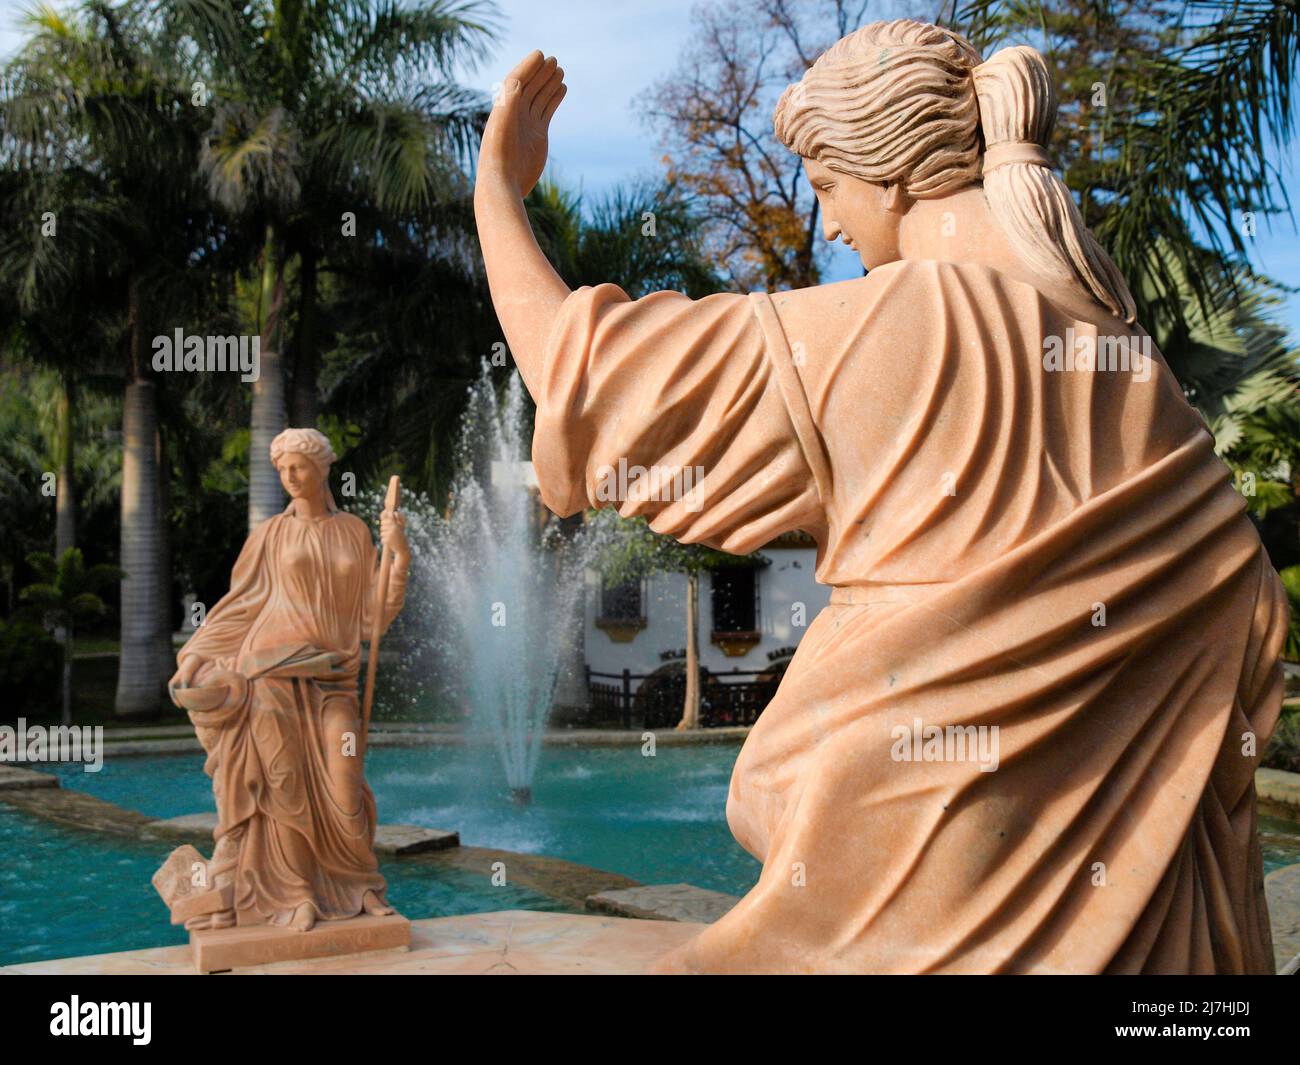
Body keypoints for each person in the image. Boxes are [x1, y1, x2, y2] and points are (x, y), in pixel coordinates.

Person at [473, 21, 1288, 973]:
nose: (825, 225)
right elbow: (1251, 639)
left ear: (891, 171)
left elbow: (598, 380)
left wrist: (496, 190)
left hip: (929, 918)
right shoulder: (1136, 373)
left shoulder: (913, 326)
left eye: (825, 185)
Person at [169, 427, 410, 933]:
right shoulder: (270, 536)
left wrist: (399, 554)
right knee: (284, 786)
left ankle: (361, 884)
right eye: (282, 469)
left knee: (345, 780)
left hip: (335, 679)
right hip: (271, 675)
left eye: (298, 466)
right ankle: (296, 893)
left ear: (322, 468)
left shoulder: (353, 532)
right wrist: (197, 654)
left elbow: (371, 619)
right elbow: (238, 609)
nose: (289, 477)